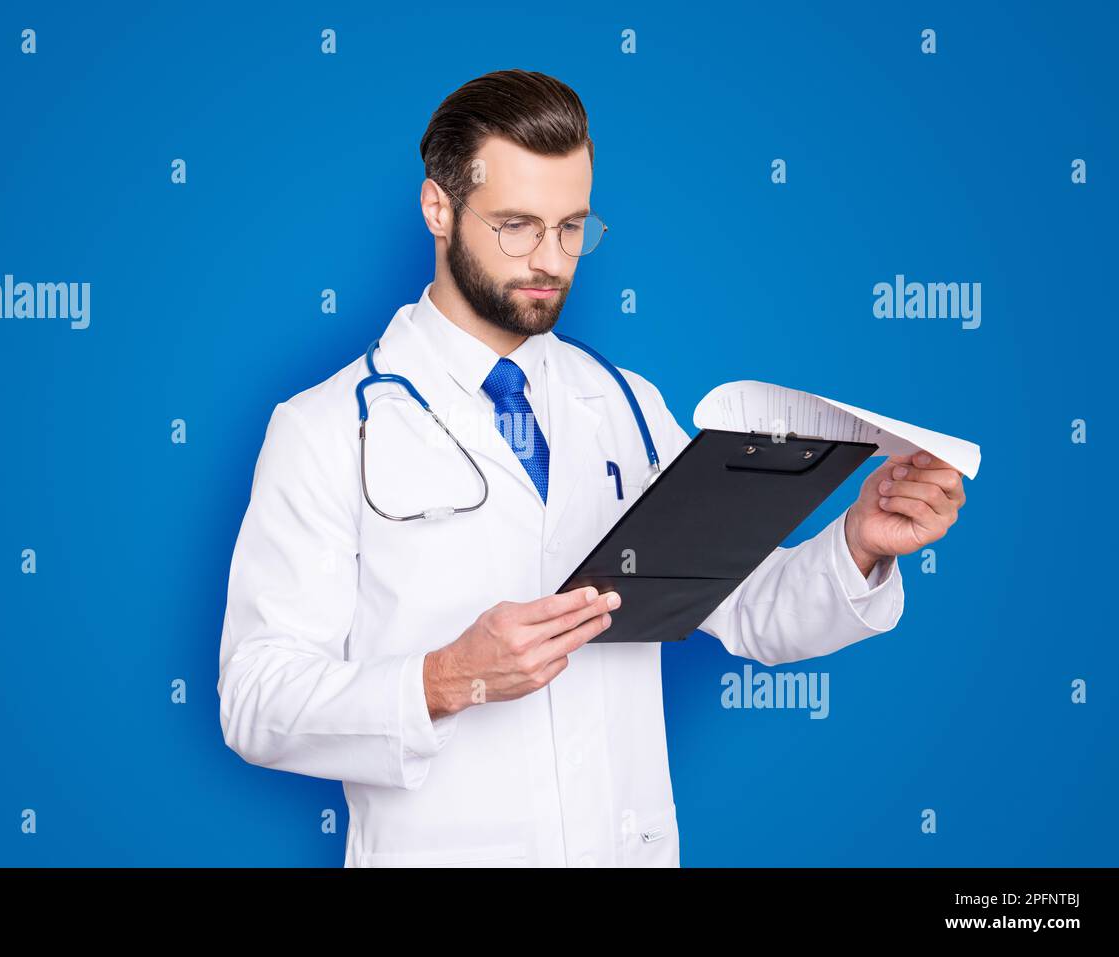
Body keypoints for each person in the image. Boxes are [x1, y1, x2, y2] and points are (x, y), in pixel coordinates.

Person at [217, 69, 967, 867]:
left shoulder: (624, 403)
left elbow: (747, 607)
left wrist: (860, 542)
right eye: (516, 225)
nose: (550, 259)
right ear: (438, 208)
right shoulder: (328, 427)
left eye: (572, 226)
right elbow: (258, 701)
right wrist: (444, 678)